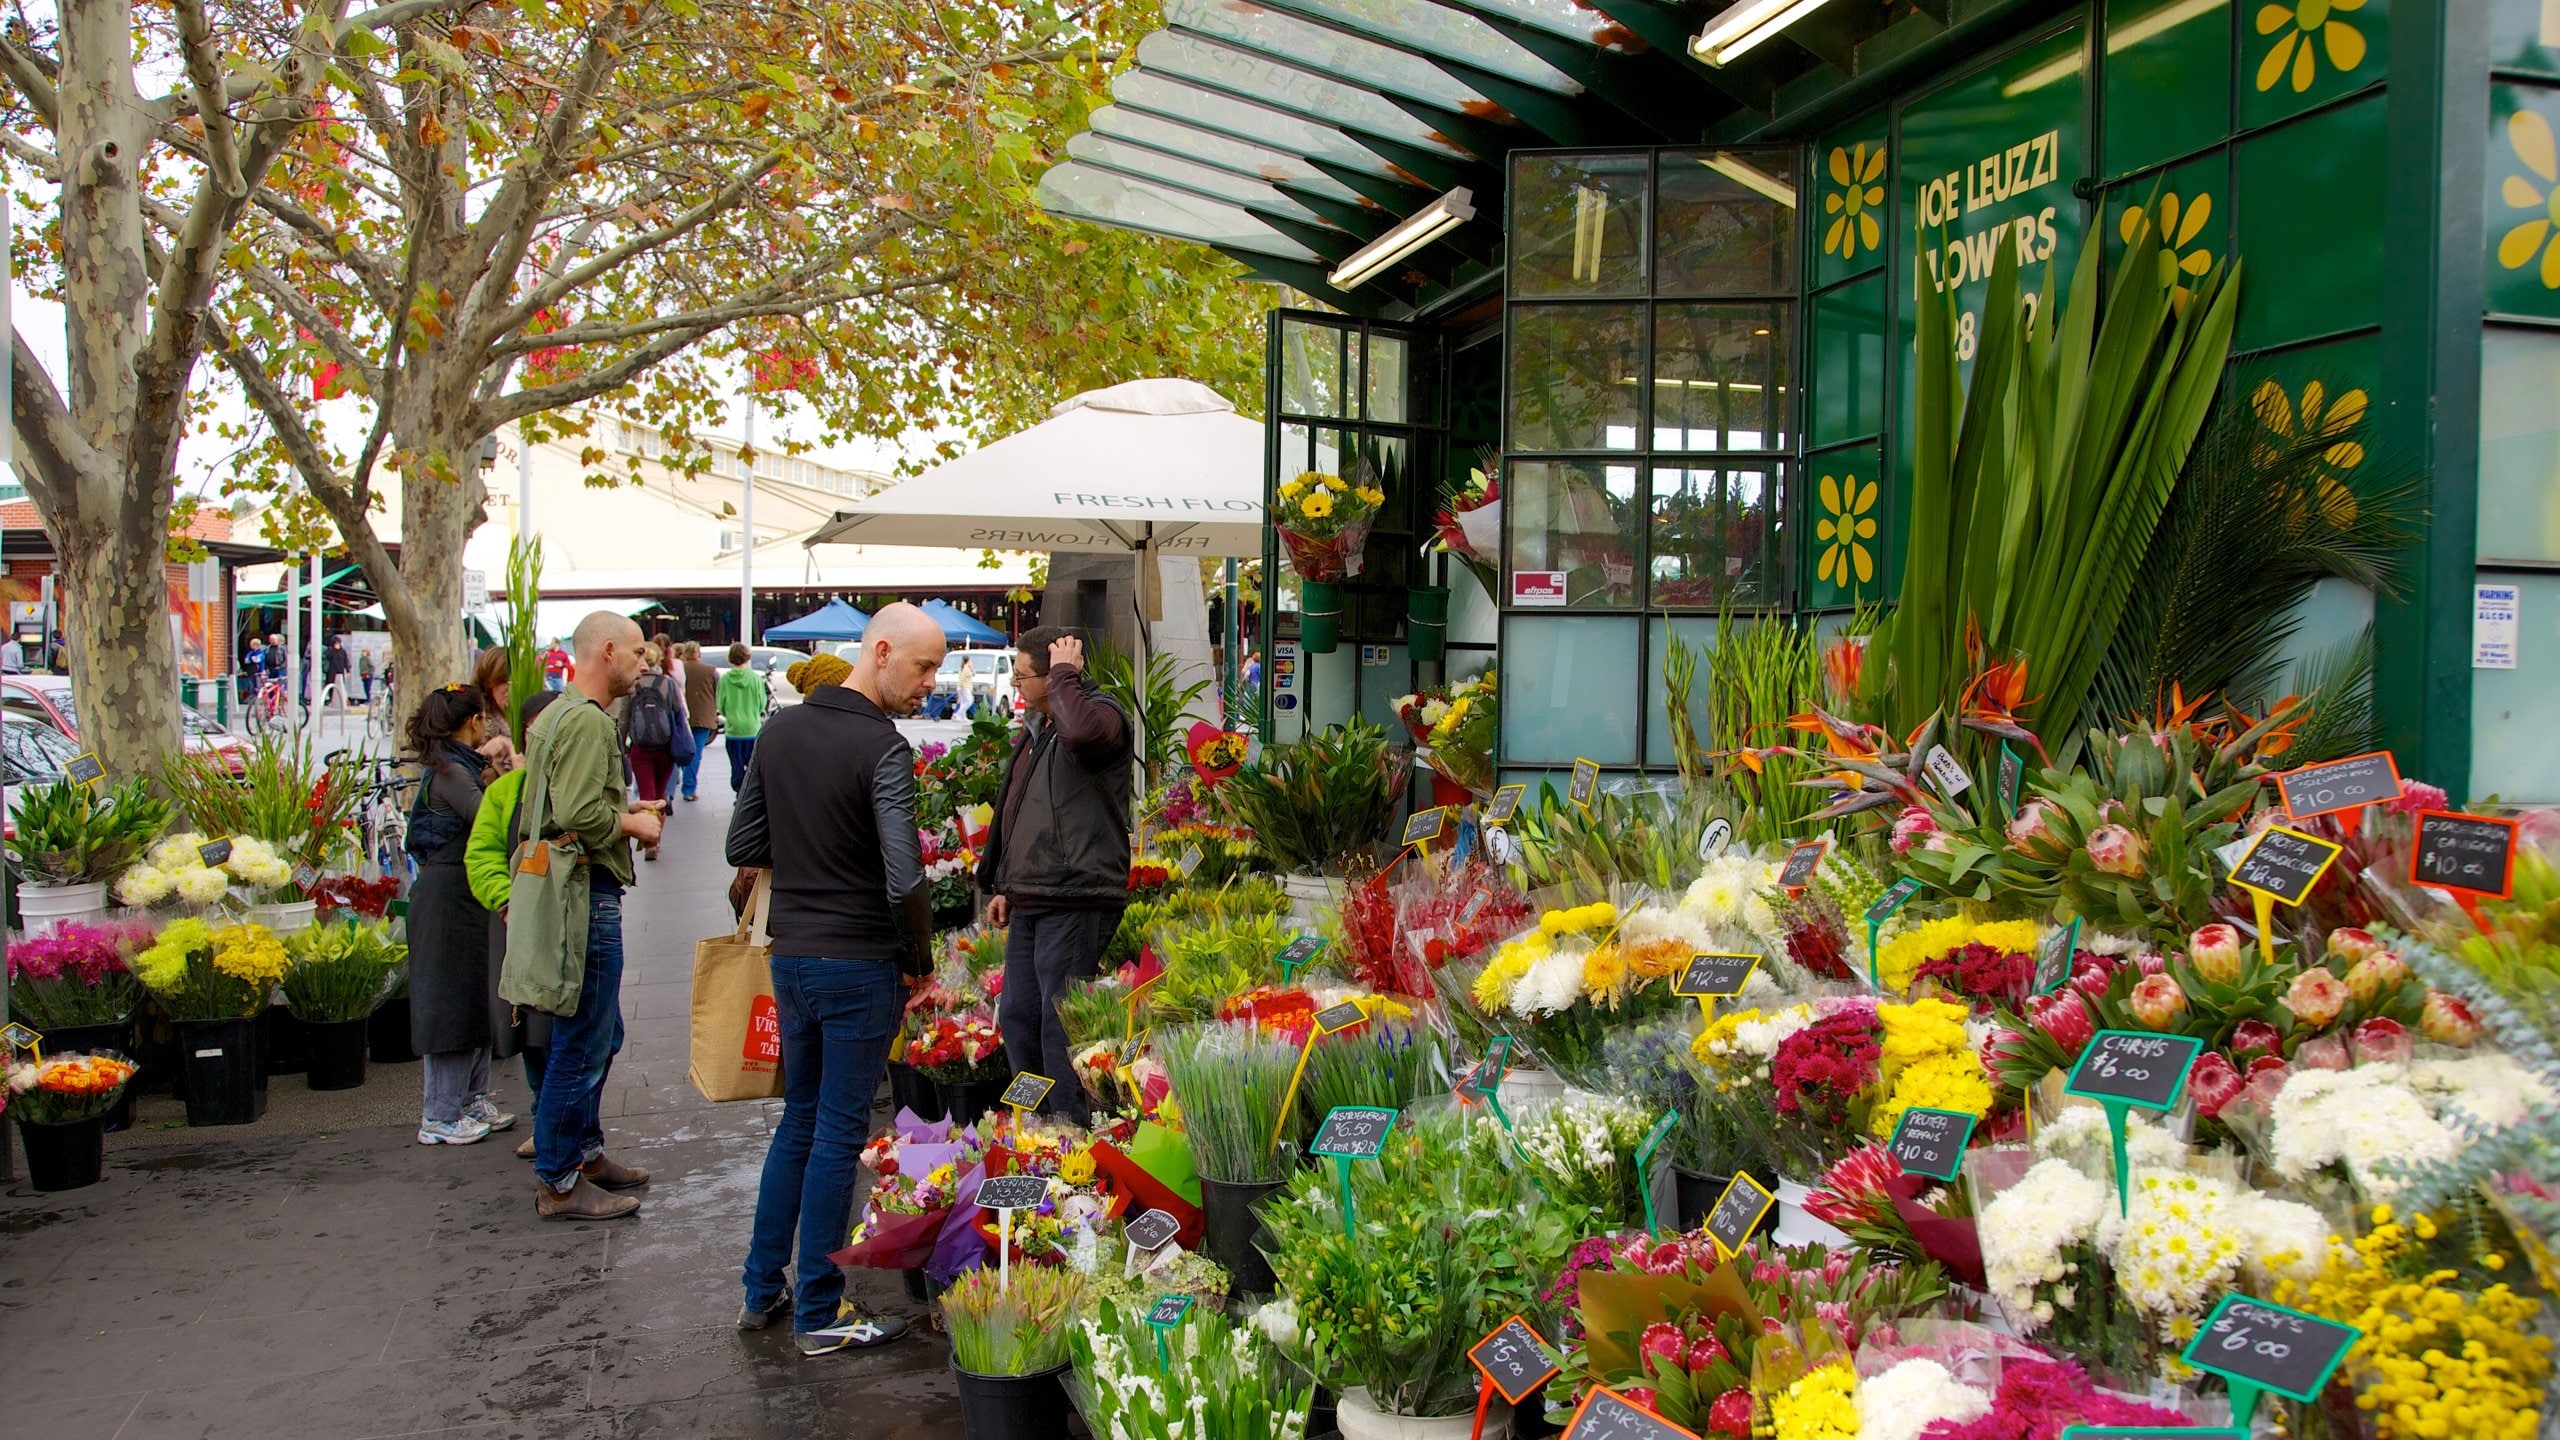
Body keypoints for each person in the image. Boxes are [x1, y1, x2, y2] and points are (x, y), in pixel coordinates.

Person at [726, 603, 940, 1355]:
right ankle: (821, 1310)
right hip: (857, 963)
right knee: (837, 1132)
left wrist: (810, 848)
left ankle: (763, 1290)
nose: (930, 683)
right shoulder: (879, 747)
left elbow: (742, 841)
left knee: (801, 1122)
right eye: (923, 667)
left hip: (792, 958)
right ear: (881, 653)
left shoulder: (779, 731)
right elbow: (903, 874)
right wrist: (919, 962)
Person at [520, 610, 662, 1220]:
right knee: (583, 1041)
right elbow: (578, 813)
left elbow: (565, 804)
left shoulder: (557, 715)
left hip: (577, 888)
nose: (644, 664)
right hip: (586, 895)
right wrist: (631, 821)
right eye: (636, 653)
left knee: (600, 1035)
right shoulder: (586, 722)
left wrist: (622, 803)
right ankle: (558, 1178)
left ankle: (584, 1153)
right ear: (606, 651)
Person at [977, 627, 1134, 1126]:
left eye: (1024, 676)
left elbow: (1084, 734)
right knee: (1021, 1017)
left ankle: (1069, 1130)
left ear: (1055, 675)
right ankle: (1036, 1126)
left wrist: (1066, 674)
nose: (1017, 686)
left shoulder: (1101, 715)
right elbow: (1019, 808)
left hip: (1075, 895)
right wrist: (1003, 883)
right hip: (1033, 896)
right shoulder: (1040, 729)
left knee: (1058, 1024)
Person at [405, 684, 510, 1145]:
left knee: (475, 997)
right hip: (446, 898)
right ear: (473, 722)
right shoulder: (450, 772)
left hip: (466, 895)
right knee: (449, 1003)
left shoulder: (461, 765)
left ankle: (470, 1098)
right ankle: (440, 1115)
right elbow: (490, 819)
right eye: (484, 717)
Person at [466, 687, 566, 1161]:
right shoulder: (504, 792)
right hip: (520, 929)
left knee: (578, 1031)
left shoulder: (575, 782)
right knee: (530, 1028)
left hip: (570, 928)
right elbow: (482, 854)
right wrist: (508, 902)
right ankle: (547, 1120)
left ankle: (569, 1128)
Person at [618, 643, 682, 858]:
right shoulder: (668, 684)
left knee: (646, 794)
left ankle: (649, 842)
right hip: (665, 748)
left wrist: (623, 743)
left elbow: (624, 718)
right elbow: (677, 713)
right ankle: (656, 839)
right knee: (660, 795)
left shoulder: (633, 685)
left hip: (640, 748)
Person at [716, 642, 767, 792]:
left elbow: (721, 704)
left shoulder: (725, 679)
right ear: (747, 657)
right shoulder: (756, 678)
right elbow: (761, 703)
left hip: (733, 729)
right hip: (752, 727)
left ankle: (739, 791)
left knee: (736, 765)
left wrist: (731, 714)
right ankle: (750, 791)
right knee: (752, 765)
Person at [679, 641, 718, 802]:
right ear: (698, 653)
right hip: (704, 716)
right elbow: (716, 690)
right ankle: (689, 788)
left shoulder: (677, 669)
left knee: (680, 750)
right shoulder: (711, 671)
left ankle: (677, 782)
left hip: (682, 716)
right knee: (696, 753)